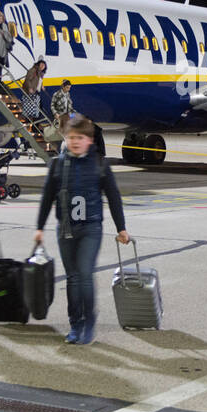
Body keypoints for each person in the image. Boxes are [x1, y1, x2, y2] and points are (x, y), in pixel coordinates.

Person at [33, 115, 129, 345]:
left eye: (80, 138)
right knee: (73, 278)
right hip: (65, 228)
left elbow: (114, 198)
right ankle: (75, 323)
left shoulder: (99, 165)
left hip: (90, 228)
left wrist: (121, 228)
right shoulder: (57, 164)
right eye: (71, 137)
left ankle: (88, 322)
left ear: (89, 140)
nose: (75, 142)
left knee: (84, 273)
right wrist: (39, 227)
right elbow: (47, 198)